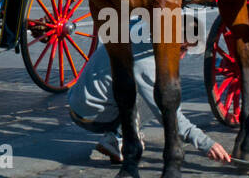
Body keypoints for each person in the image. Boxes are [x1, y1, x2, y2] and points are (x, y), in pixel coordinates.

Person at [68, 9, 231, 164]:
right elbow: (169, 114)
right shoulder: (147, 64)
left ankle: (117, 134)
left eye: (186, 50)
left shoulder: (140, 29)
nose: (182, 56)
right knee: (161, 94)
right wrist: (206, 143)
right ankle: (118, 137)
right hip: (93, 117)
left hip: (78, 102)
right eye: (181, 48)